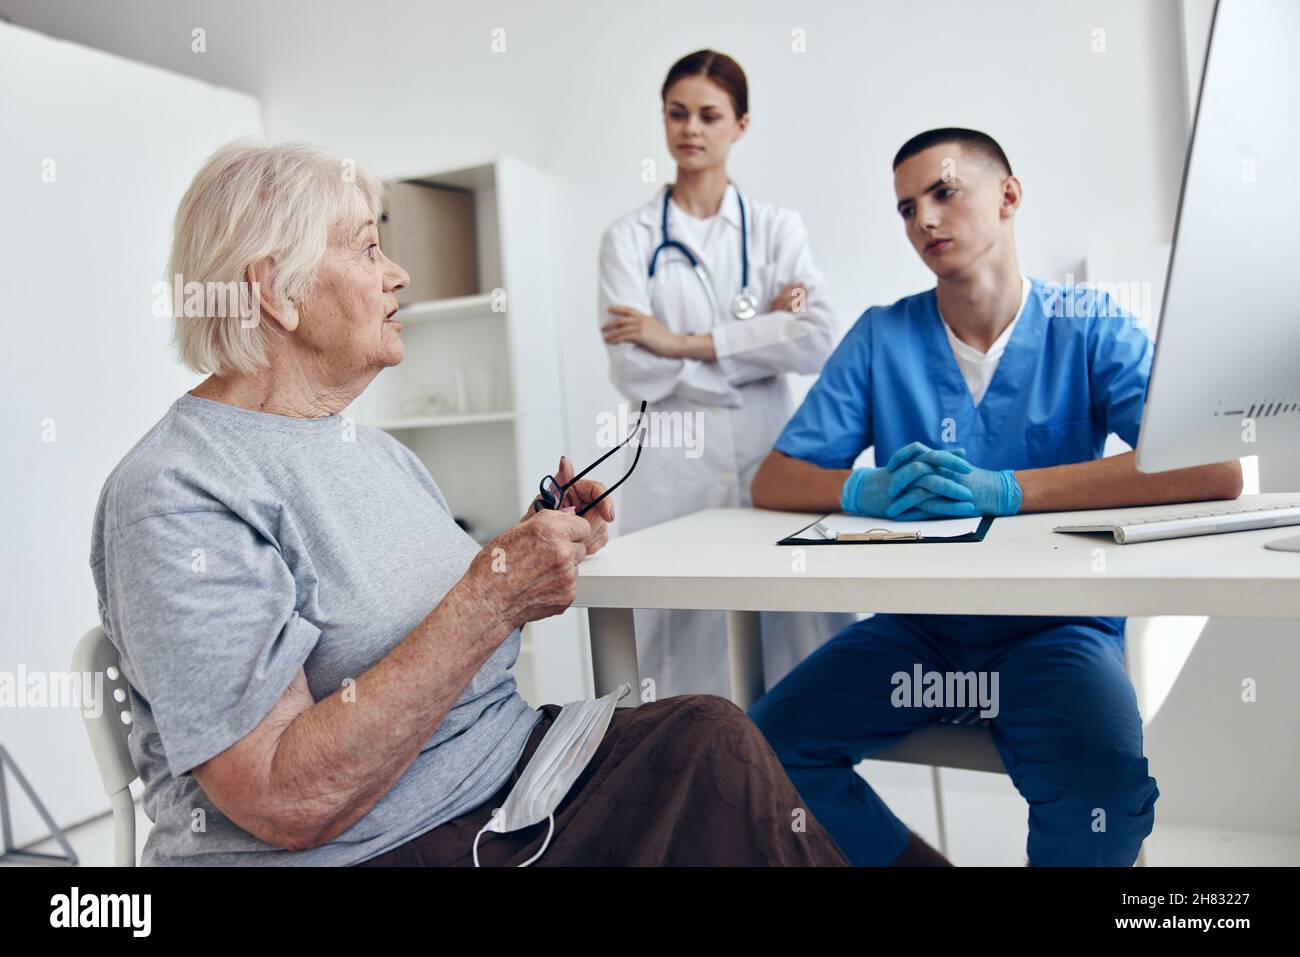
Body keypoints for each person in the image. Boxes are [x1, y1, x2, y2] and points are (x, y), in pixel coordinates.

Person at [89, 139, 849, 867]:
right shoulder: (178, 491)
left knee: (711, 733)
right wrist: (493, 592)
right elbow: (284, 797)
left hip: (511, 779)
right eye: (366, 248)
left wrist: (524, 546)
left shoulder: (372, 451)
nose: (400, 275)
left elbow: (423, 610)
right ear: (277, 293)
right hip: (391, 843)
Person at [747, 128, 1244, 866]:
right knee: (765, 747)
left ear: (1009, 195)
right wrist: (863, 486)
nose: (924, 222)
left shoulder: (1088, 324)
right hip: (921, 633)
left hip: (1057, 630)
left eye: (944, 193)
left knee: (1101, 792)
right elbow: (775, 478)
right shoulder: (885, 336)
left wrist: (1010, 489)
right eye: (907, 208)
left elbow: (1213, 467)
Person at [598, 49, 853, 698]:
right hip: (671, 469)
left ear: (740, 124)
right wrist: (755, 343)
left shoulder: (776, 230)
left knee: (797, 638)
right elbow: (634, 368)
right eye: (677, 113)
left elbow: (817, 335)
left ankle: (794, 787)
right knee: (674, 655)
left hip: (771, 455)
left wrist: (681, 343)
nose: (691, 129)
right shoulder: (628, 239)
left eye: (710, 115)